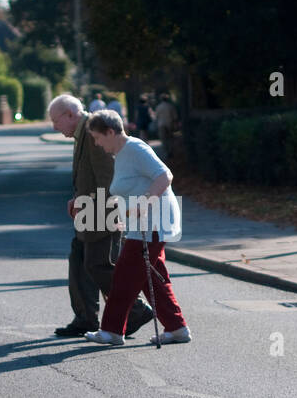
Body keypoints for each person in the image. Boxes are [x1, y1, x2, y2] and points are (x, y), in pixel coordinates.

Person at [47, 95, 155, 338]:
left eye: (56, 121)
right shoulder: (81, 131)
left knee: (98, 265)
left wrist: (92, 204)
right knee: (78, 261)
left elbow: (108, 179)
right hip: (89, 210)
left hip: (102, 211)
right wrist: (78, 199)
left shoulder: (91, 130)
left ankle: (136, 309)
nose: (54, 127)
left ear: (70, 115)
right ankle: (86, 318)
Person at [82, 109, 190, 346]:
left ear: (110, 132)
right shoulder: (121, 155)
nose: (97, 144)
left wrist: (145, 202)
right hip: (140, 224)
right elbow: (129, 189)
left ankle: (111, 330)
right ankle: (177, 327)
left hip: (152, 223)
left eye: (98, 138)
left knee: (123, 276)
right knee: (150, 277)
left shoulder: (136, 149)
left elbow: (164, 175)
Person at [153, 92, 178, 161]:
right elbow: (175, 116)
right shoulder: (170, 106)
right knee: (170, 138)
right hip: (169, 124)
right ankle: (170, 151)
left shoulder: (158, 107)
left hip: (161, 124)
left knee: (163, 139)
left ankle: (166, 151)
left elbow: (156, 117)